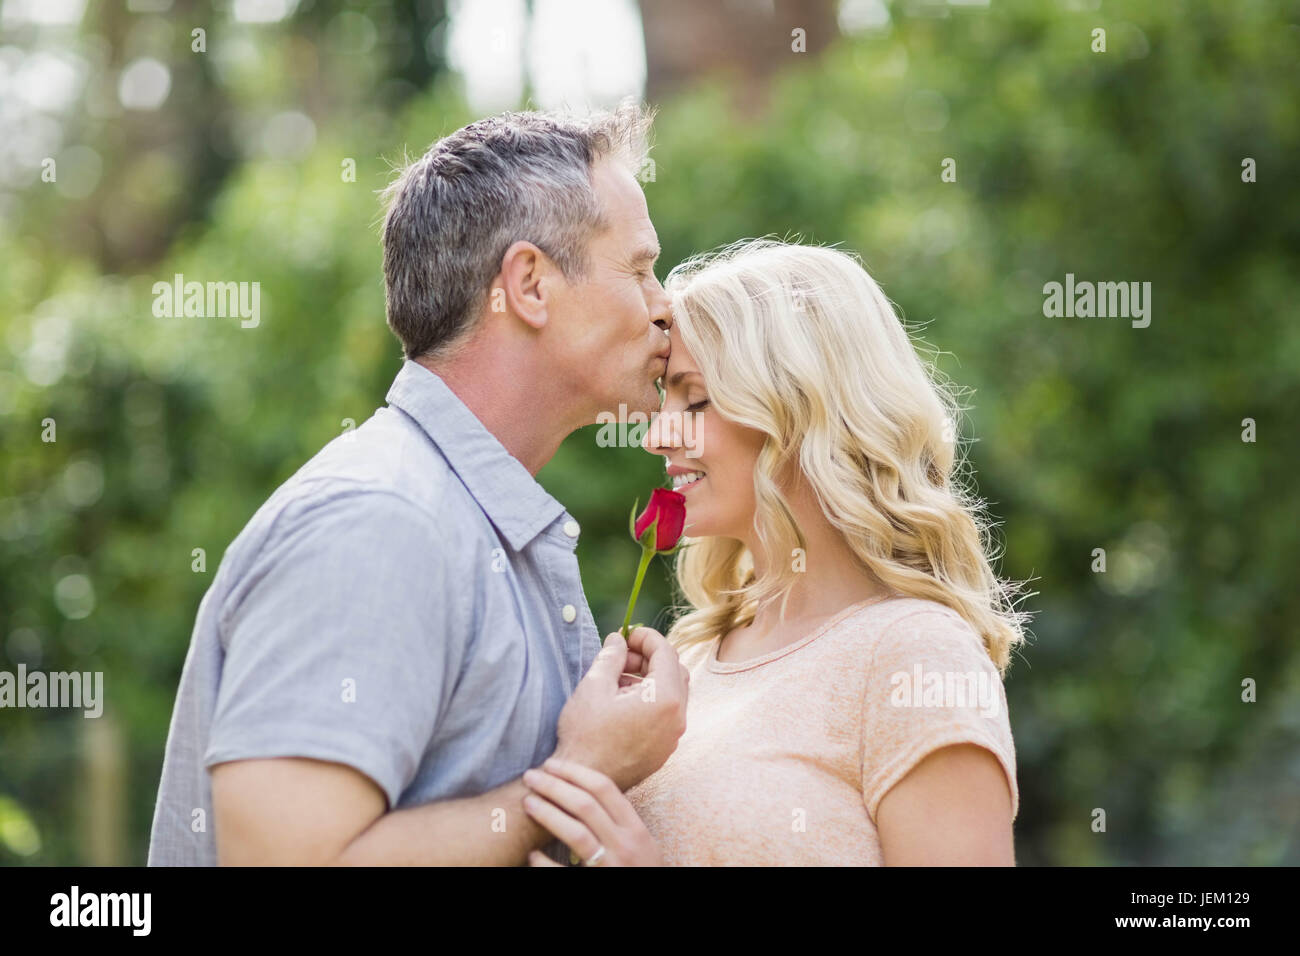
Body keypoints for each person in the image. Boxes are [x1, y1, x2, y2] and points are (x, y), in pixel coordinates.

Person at [147, 103, 689, 866]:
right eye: (638, 268)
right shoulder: (381, 522)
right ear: (529, 285)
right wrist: (581, 775)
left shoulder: (469, 522)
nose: (664, 304)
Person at [521, 239, 1031, 865]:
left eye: (696, 399)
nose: (657, 435)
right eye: (664, 400)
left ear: (801, 407)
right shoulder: (687, 660)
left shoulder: (915, 653)